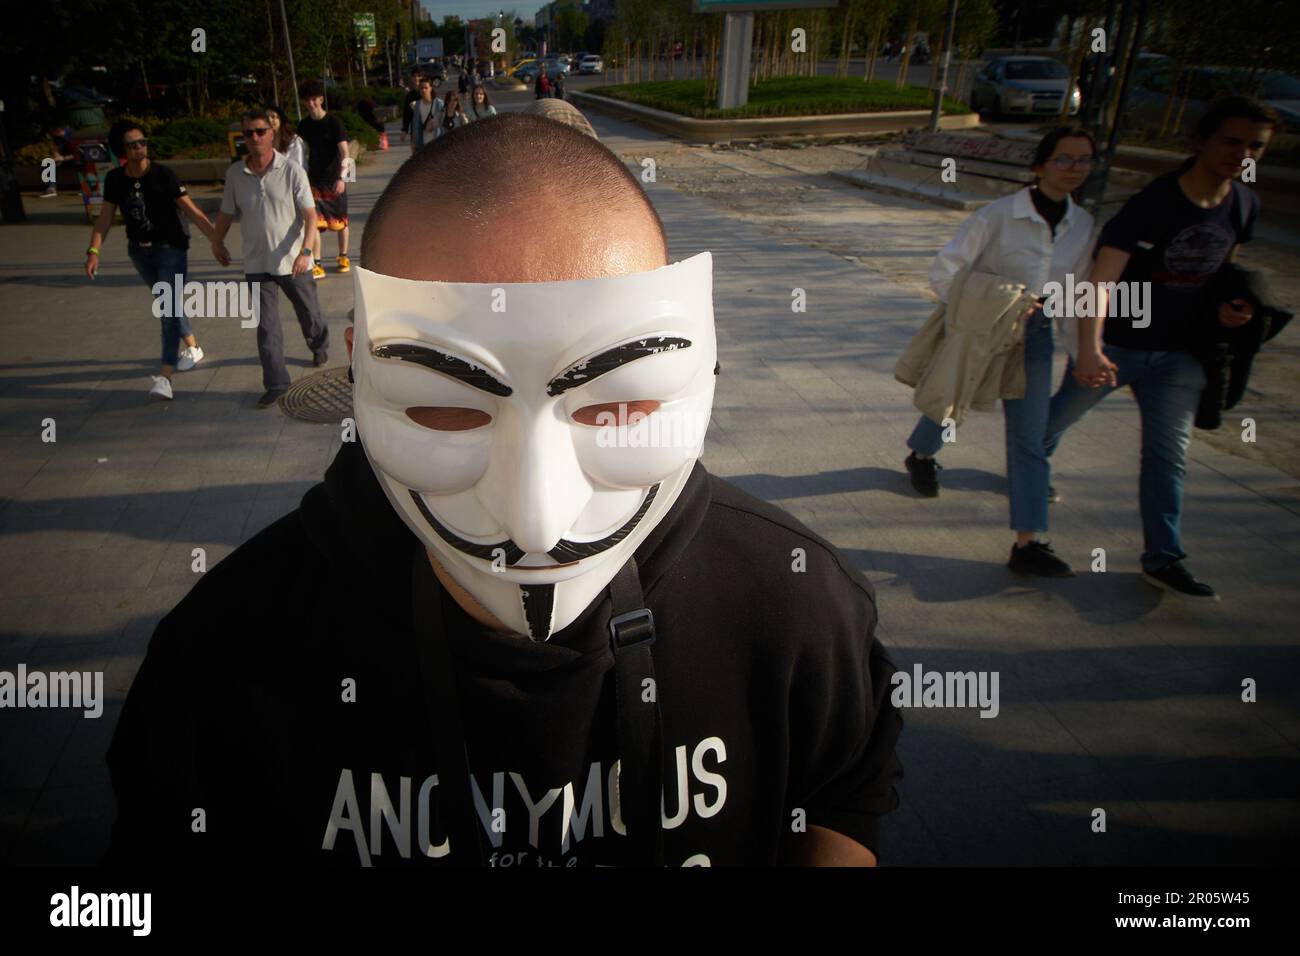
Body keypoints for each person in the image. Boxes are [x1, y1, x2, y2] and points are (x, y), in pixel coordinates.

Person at [105, 113, 903, 868]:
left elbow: (842, 798)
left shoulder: (795, 607)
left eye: (615, 407)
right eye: (446, 409)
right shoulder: (228, 654)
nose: (536, 521)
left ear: (706, 361)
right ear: (361, 367)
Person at [1043, 97, 1277, 600]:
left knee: (1169, 457)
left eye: (1255, 146)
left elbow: (1222, 272)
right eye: (1231, 141)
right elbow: (1100, 283)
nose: (1241, 153)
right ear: (1202, 141)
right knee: (1050, 423)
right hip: (1120, 347)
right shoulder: (1152, 204)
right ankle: (1029, 478)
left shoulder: (1244, 205)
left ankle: (1164, 556)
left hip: (1182, 355)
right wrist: (1090, 348)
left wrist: (1233, 309)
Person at [900, 127, 1097, 577]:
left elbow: (1078, 287)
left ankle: (1028, 542)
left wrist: (1075, 342)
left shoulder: (1083, 225)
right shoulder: (1000, 215)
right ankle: (923, 455)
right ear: (1040, 165)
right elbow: (948, 266)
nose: (1073, 169)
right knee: (952, 398)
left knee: (1029, 434)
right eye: (1063, 159)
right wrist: (968, 318)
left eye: (1083, 160)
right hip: (982, 323)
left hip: (1037, 337)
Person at [85, 120, 218, 400]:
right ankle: (193, 347)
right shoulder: (115, 180)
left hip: (171, 248)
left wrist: (216, 240)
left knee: (168, 310)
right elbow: (105, 219)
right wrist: (94, 251)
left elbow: (192, 211)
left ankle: (165, 378)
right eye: (133, 145)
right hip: (139, 251)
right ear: (121, 150)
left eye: (143, 142)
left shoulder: (164, 175)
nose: (140, 149)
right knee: (166, 303)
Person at [211, 108, 330, 409]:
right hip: (256, 264)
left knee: (309, 312)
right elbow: (226, 213)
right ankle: (276, 383)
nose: (254, 138)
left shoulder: (291, 170)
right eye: (248, 133)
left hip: (293, 261)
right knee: (266, 327)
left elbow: (310, 216)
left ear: (271, 134)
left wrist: (306, 252)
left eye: (260, 131)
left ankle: (319, 344)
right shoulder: (235, 175)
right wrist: (216, 241)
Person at [296, 80, 351, 278]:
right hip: (314, 180)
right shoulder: (304, 125)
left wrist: (344, 179)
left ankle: (343, 255)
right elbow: (297, 151)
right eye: (307, 100)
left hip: (335, 178)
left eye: (314, 99)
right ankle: (317, 262)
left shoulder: (334, 122)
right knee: (316, 223)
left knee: (340, 222)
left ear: (321, 99)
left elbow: (346, 152)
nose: (311, 104)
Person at [39, 122, 75, 198]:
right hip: (64, 158)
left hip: (74, 158)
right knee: (49, 162)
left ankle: (86, 187)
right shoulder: (57, 137)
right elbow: (56, 148)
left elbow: (78, 153)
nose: (53, 135)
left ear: (59, 130)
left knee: (81, 162)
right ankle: (51, 188)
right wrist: (56, 156)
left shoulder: (73, 135)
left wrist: (64, 158)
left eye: (54, 132)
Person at [410, 76, 442, 152]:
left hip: (437, 143)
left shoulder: (439, 104)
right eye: (421, 88)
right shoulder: (417, 105)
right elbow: (415, 125)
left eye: (426, 88)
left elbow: (443, 123)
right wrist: (413, 141)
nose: (423, 90)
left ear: (430, 88)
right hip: (422, 144)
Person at [401, 71, 423, 145]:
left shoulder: (429, 93)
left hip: (428, 129)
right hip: (415, 129)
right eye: (414, 76)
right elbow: (407, 114)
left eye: (418, 76)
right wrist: (404, 130)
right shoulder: (410, 96)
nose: (416, 78)